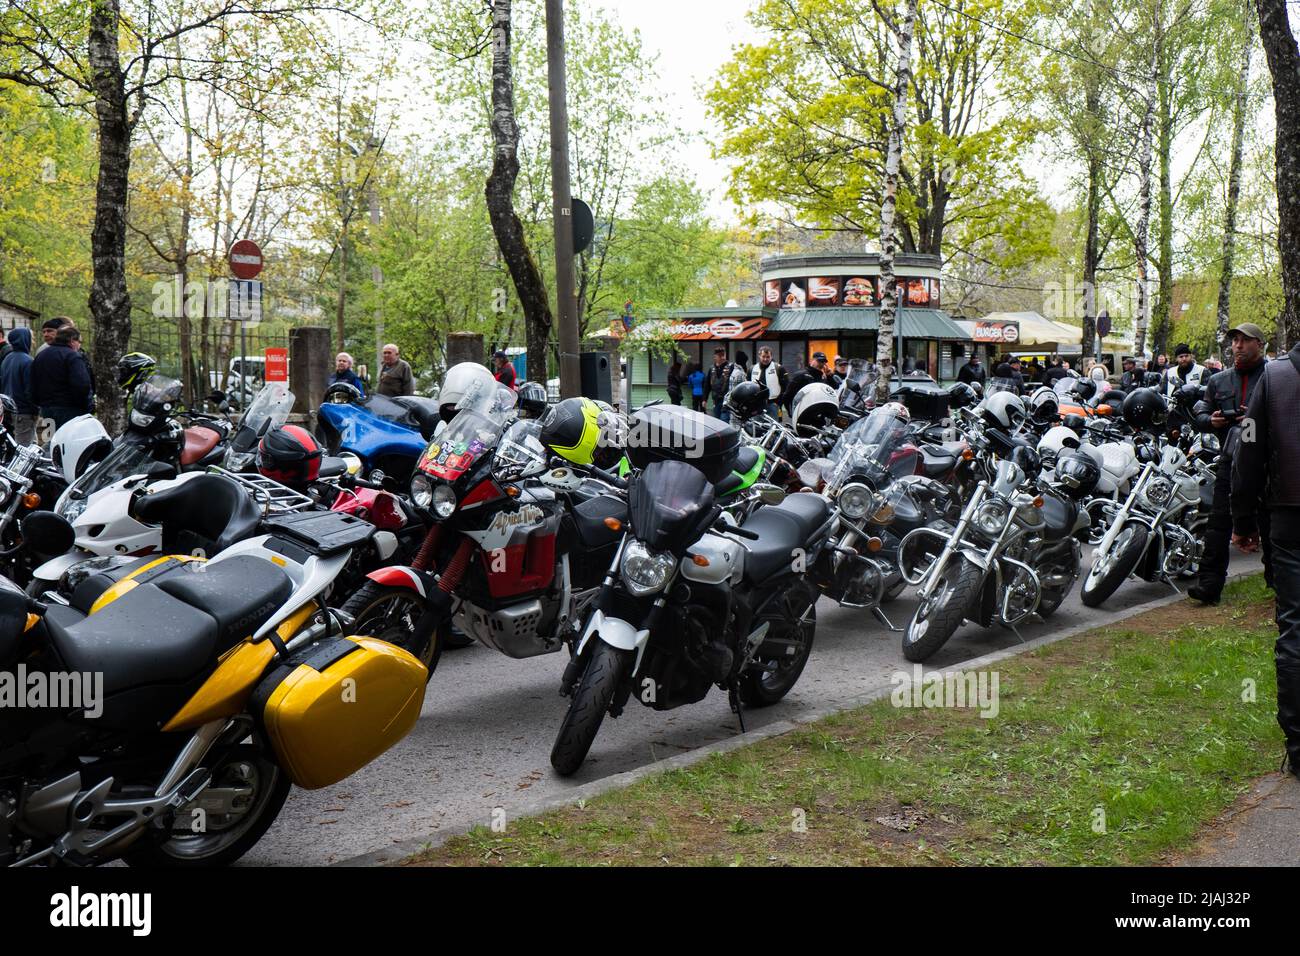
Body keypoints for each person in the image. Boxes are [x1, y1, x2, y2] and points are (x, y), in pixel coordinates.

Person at [1231, 331, 1300, 780]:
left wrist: (1243, 520)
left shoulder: (1274, 377)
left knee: (1295, 628)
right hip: (1288, 518)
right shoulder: (1273, 377)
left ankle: (1299, 744)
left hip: (1291, 517)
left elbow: (1248, 452)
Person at [1191, 323, 1269, 606]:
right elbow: (1201, 408)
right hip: (1230, 458)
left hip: (1269, 461)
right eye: (1235, 340)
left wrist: (1260, 415)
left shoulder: (1274, 376)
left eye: (1245, 340)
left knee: (1269, 521)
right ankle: (1209, 585)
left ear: (1260, 344)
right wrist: (1209, 420)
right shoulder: (1219, 380)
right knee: (1218, 522)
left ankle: (1276, 580)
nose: (1238, 345)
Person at [30, 325, 91, 428]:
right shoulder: (72, 356)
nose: (79, 345)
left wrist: (39, 403)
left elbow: (32, 382)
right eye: (79, 342)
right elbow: (82, 385)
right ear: (72, 340)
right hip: (70, 409)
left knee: (51, 439)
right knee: (70, 440)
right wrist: (85, 406)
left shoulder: (41, 355)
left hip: (46, 410)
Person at [0, 327, 36, 444]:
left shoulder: (7, 358)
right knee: (23, 448)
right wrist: (35, 409)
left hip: (8, 410)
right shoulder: (28, 361)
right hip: (24, 411)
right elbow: (30, 389)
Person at [750, 346, 787, 417]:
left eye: (768, 357)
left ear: (771, 356)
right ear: (759, 356)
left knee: (774, 427)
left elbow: (786, 386)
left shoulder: (779, 368)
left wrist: (779, 402)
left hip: (773, 404)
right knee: (757, 426)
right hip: (757, 405)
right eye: (763, 356)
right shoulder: (752, 369)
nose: (765, 359)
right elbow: (748, 386)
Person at [706, 347, 737, 421]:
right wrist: (704, 399)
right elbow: (707, 385)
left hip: (727, 400)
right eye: (720, 356)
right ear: (715, 357)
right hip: (716, 400)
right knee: (716, 421)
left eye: (723, 355)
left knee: (724, 419)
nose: (722, 357)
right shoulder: (711, 368)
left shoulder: (731, 367)